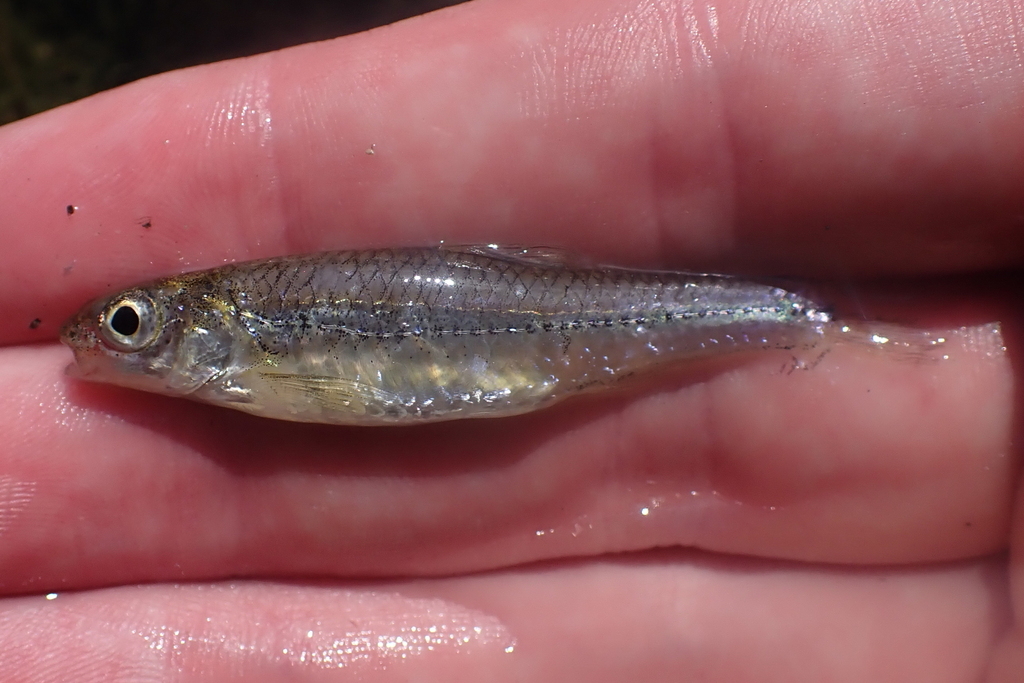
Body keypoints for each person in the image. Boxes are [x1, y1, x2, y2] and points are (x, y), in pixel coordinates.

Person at [0, 0, 1020, 679]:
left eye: (129, 326)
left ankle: (813, 319)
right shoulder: (237, 346)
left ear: (211, 326)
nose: (109, 343)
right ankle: (812, 319)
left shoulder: (249, 333)